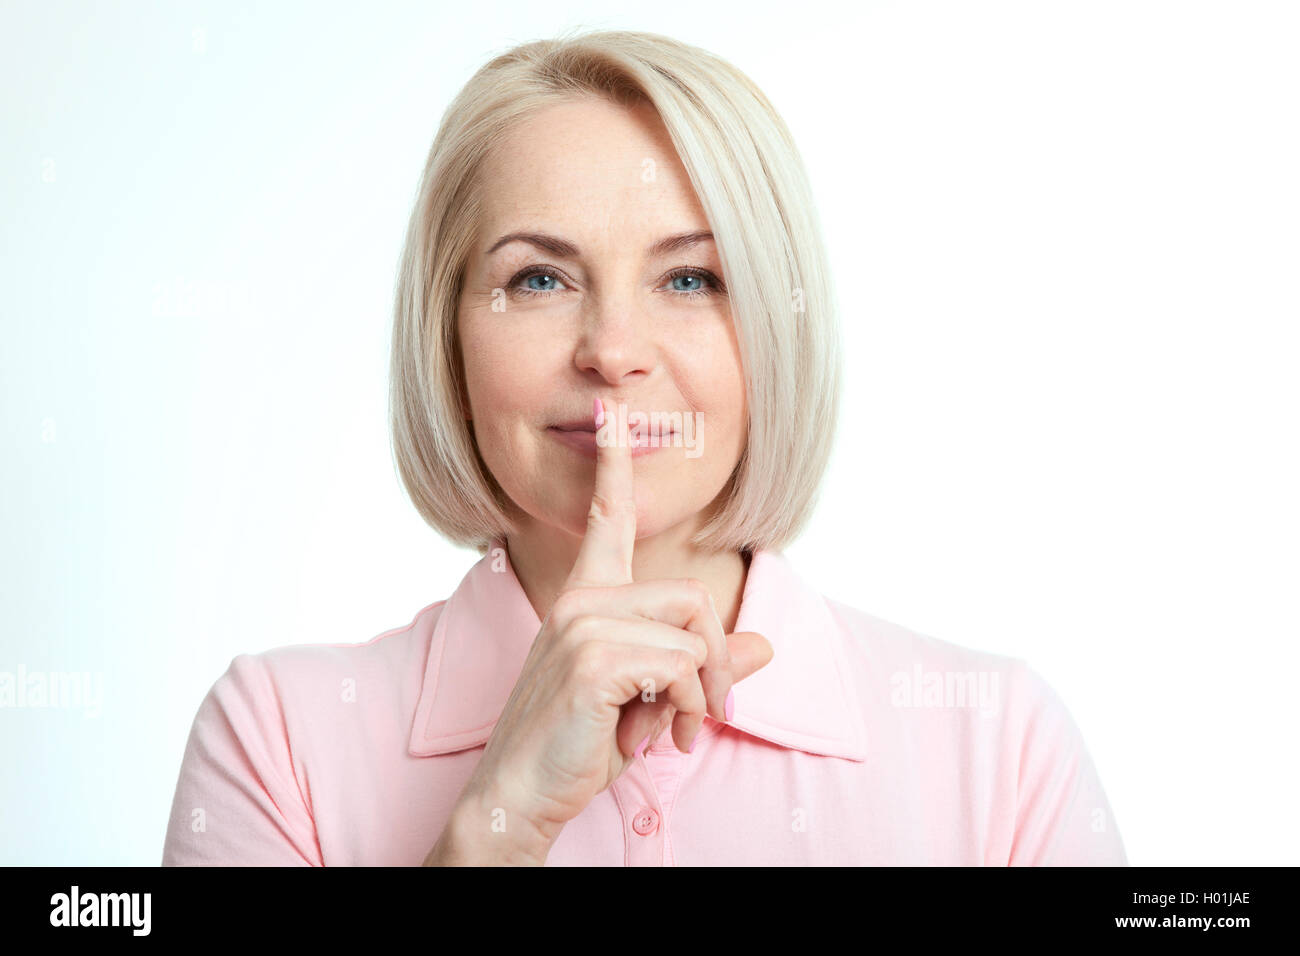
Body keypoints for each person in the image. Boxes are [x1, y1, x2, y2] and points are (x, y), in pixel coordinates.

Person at [162, 28, 1127, 866]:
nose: (614, 352)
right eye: (538, 280)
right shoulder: (276, 736)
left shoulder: (1000, 747)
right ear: (444, 335)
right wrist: (493, 833)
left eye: (694, 279)